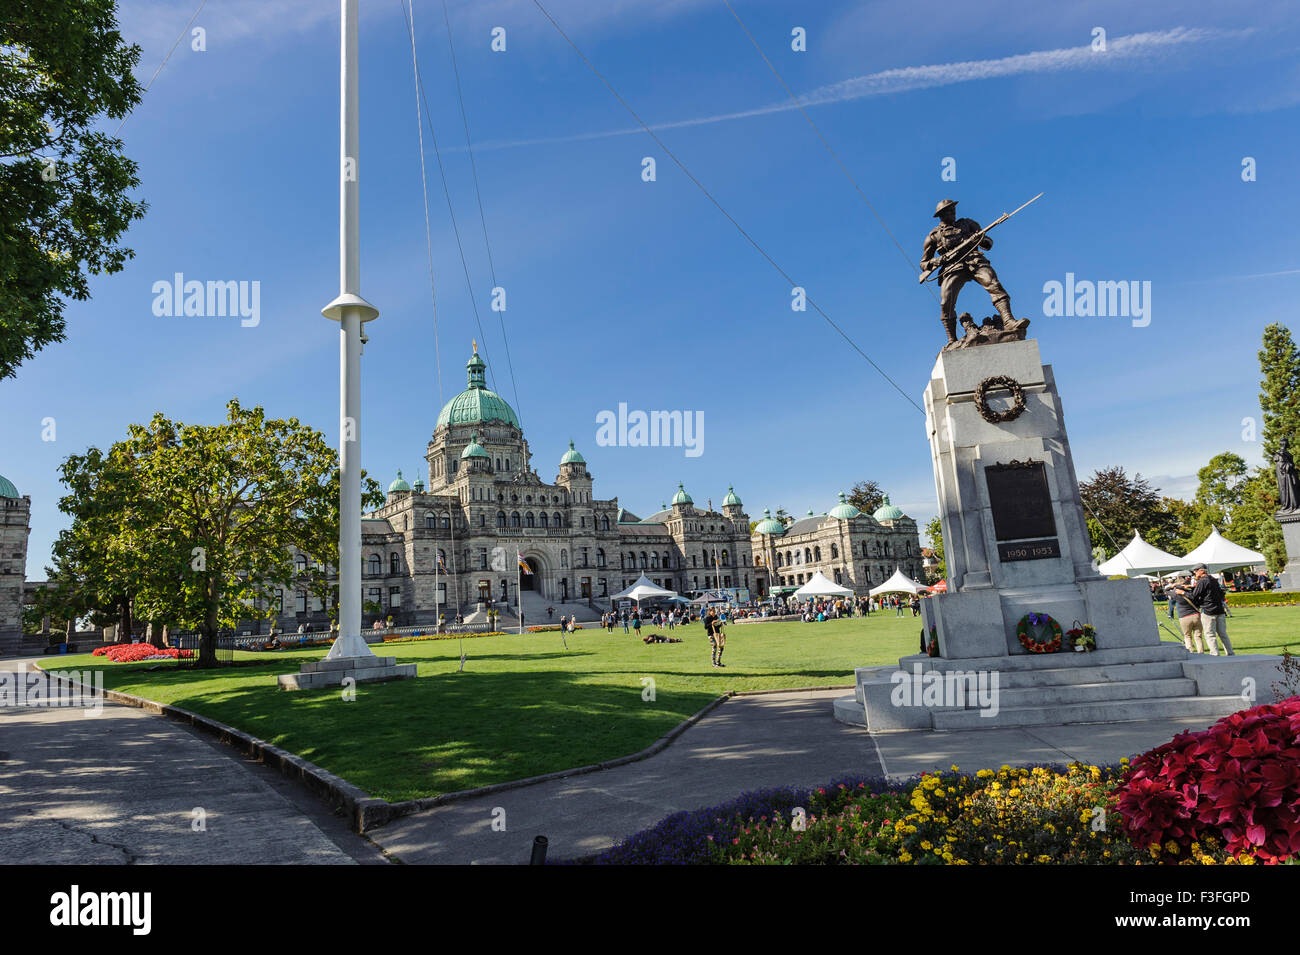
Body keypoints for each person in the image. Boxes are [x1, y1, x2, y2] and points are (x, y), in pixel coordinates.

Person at [1177, 563, 1234, 656]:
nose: (1194, 573)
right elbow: (1217, 593)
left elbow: (1193, 596)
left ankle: (1215, 655)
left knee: (1210, 635)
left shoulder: (1202, 581)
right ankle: (1230, 653)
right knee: (1223, 634)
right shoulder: (1213, 579)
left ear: (1201, 571)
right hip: (1219, 610)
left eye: (1195, 571)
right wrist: (1194, 588)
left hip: (1208, 611)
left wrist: (1182, 592)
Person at [1165, 575, 1207, 653]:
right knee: (1198, 636)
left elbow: (1166, 591)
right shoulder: (1191, 592)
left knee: (1187, 636)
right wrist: (1190, 586)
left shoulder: (1175, 593)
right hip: (1196, 615)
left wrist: (1172, 586)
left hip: (1184, 617)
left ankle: (1190, 652)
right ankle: (1201, 653)